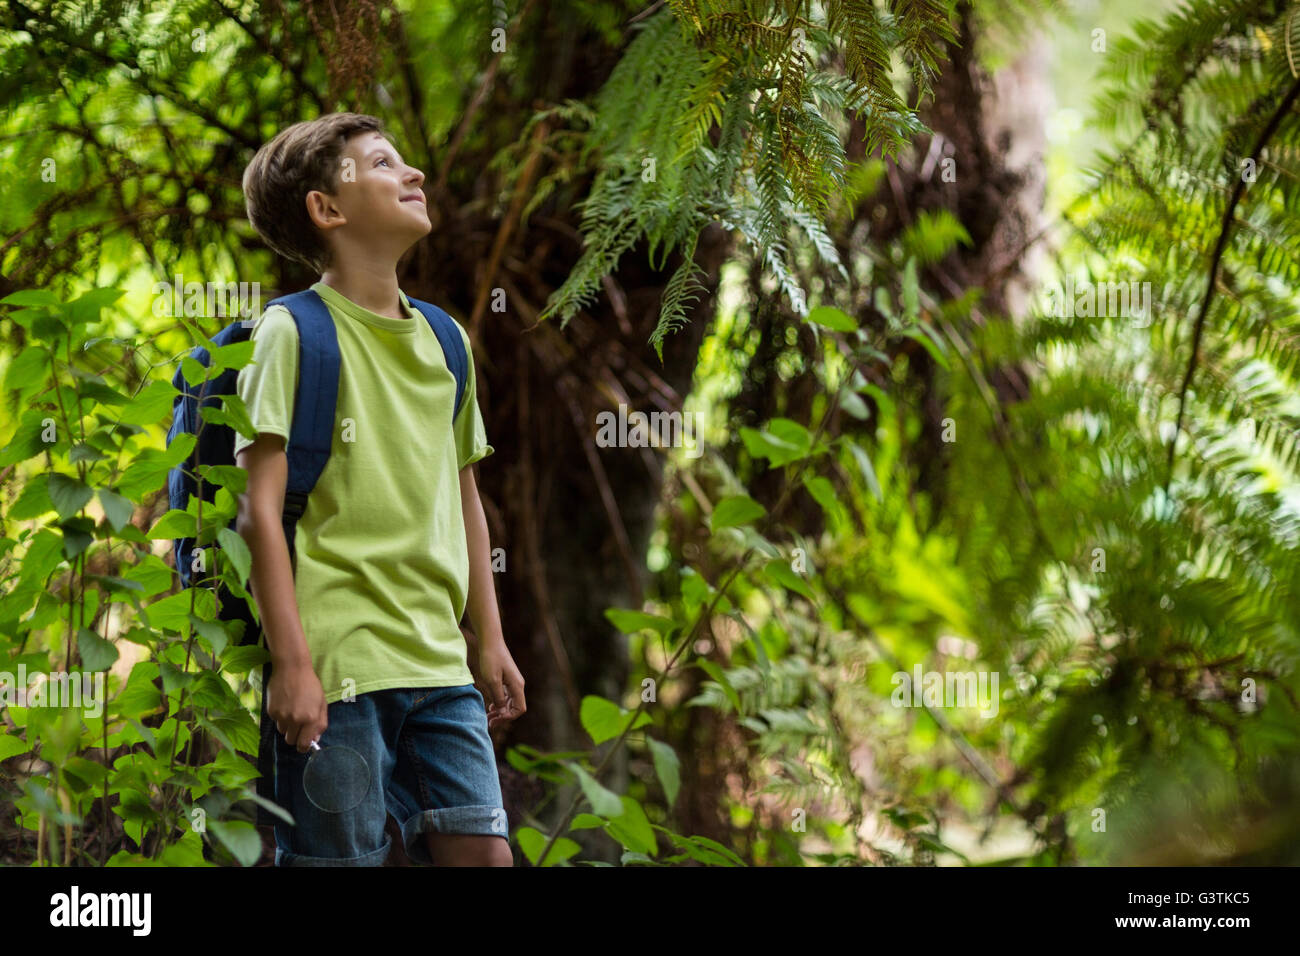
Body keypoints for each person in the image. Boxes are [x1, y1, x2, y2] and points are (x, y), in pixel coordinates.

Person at [233, 111, 524, 866]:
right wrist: (292, 664)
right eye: (384, 163)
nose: (414, 173)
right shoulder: (292, 333)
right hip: (338, 669)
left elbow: (466, 503)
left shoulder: (445, 341)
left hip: (440, 666)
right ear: (327, 210)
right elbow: (258, 510)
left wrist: (488, 639)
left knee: (485, 856)